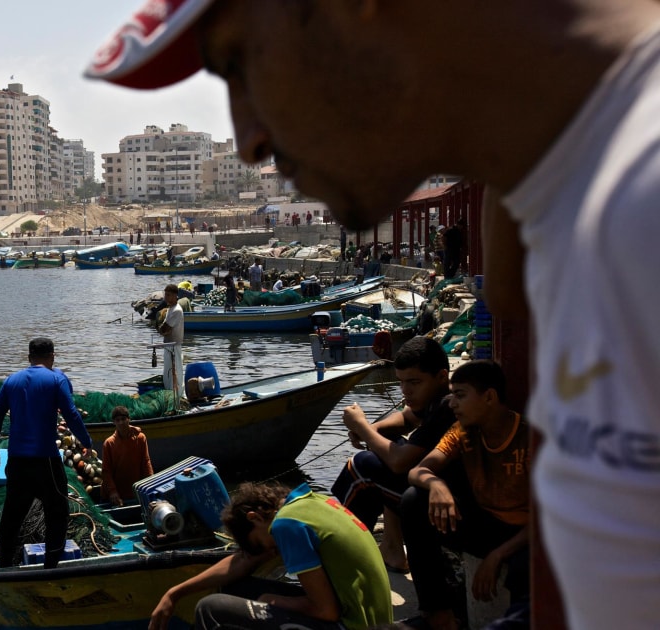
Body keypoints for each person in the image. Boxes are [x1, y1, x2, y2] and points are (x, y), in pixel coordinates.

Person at [87, 4, 660, 625]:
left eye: (238, 64)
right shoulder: (577, 192)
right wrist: (510, 172)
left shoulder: (637, 206)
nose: (249, 140)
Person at [150, 481, 392, 630]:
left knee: (210, 609)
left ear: (254, 518)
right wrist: (175, 593)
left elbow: (326, 611)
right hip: (364, 616)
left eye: (262, 545)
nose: (272, 553)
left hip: (352, 625)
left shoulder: (285, 525)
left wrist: (273, 600)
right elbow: (242, 562)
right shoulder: (313, 503)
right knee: (237, 589)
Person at [402, 360, 531, 630]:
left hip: (525, 534)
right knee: (414, 500)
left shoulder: (529, 437)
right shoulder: (462, 431)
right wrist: (438, 486)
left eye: (460, 395)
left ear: (489, 397)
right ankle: (437, 614)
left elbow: (549, 519)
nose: (452, 404)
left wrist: (496, 556)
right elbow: (418, 471)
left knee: (524, 570)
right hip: (487, 525)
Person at [330, 336, 455, 574]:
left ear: (441, 377)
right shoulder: (435, 396)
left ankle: (346, 559)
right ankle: (391, 547)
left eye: (414, 382)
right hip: (429, 485)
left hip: (445, 504)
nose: (406, 390)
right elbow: (408, 418)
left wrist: (363, 428)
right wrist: (373, 430)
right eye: (401, 382)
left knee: (359, 467)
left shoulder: (447, 407)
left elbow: (399, 463)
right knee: (385, 445)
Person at [0, 338, 92, 569]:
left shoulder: (11, 381)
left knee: (12, 514)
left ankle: (4, 564)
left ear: (29, 357)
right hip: (46, 462)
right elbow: (72, 414)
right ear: (52, 356)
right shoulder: (56, 379)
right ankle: (51, 564)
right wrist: (87, 442)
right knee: (57, 513)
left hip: (18, 462)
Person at [100, 406, 153, 507]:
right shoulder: (109, 443)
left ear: (129, 419)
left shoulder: (140, 438)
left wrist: (151, 483)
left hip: (134, 491)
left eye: (123, 419)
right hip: (116, 494)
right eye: (117, 420)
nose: (121, 423)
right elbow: (106, 471)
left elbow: (146, 462)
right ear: (114, 422)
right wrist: (112, 491)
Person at [158, 283, 184, 393]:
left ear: (175, 296)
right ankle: (170, 394)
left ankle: (178, 396)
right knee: (168, 375)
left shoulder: (177, 310)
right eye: (165, 295)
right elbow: (163, 329)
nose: (166, 297)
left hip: (174, 346)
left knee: (175, 374)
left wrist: (161, 328)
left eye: (168, 295)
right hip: (168, 345)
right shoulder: (170, 309)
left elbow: (164, 328)